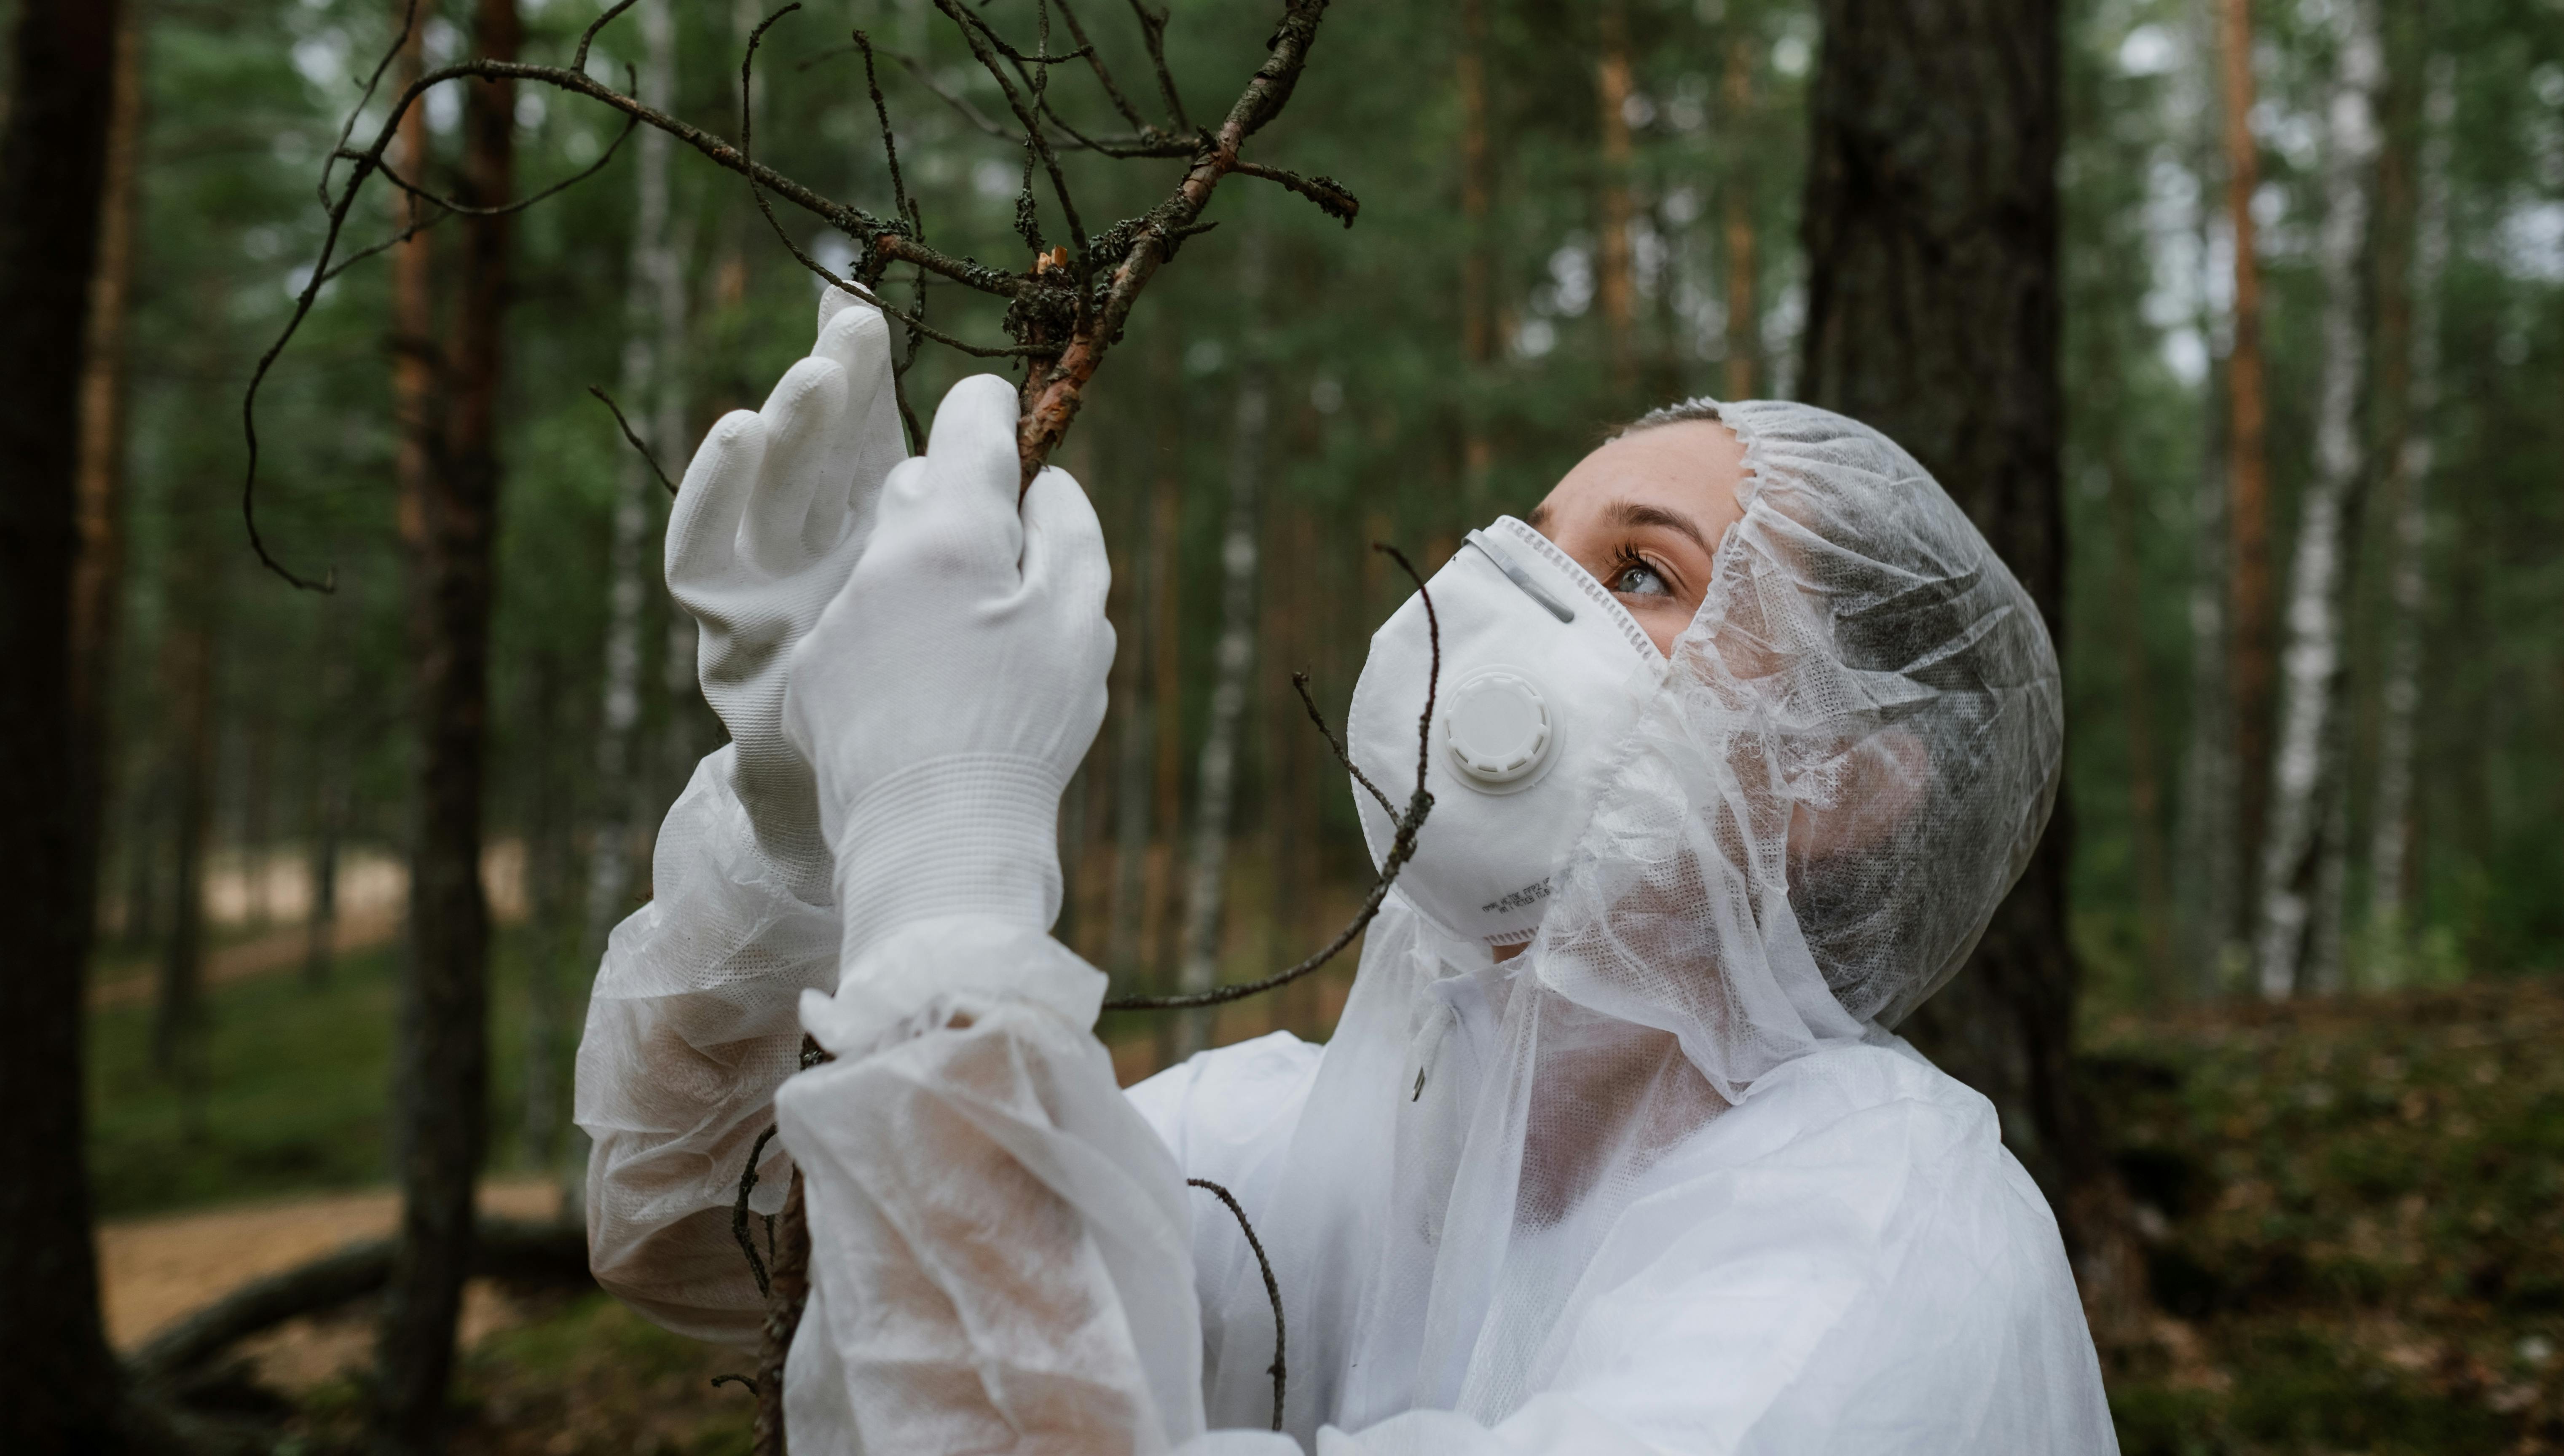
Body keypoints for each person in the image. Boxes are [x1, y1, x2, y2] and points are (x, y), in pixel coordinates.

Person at [577, 290, 2120, 1454]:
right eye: (1531, 539)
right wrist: (803, 814)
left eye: (1640, 573)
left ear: (1837, 776)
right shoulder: (1300, 1143)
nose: (1501, 603)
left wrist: (949, 853)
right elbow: (734, 1241)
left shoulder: (1869, 1250)